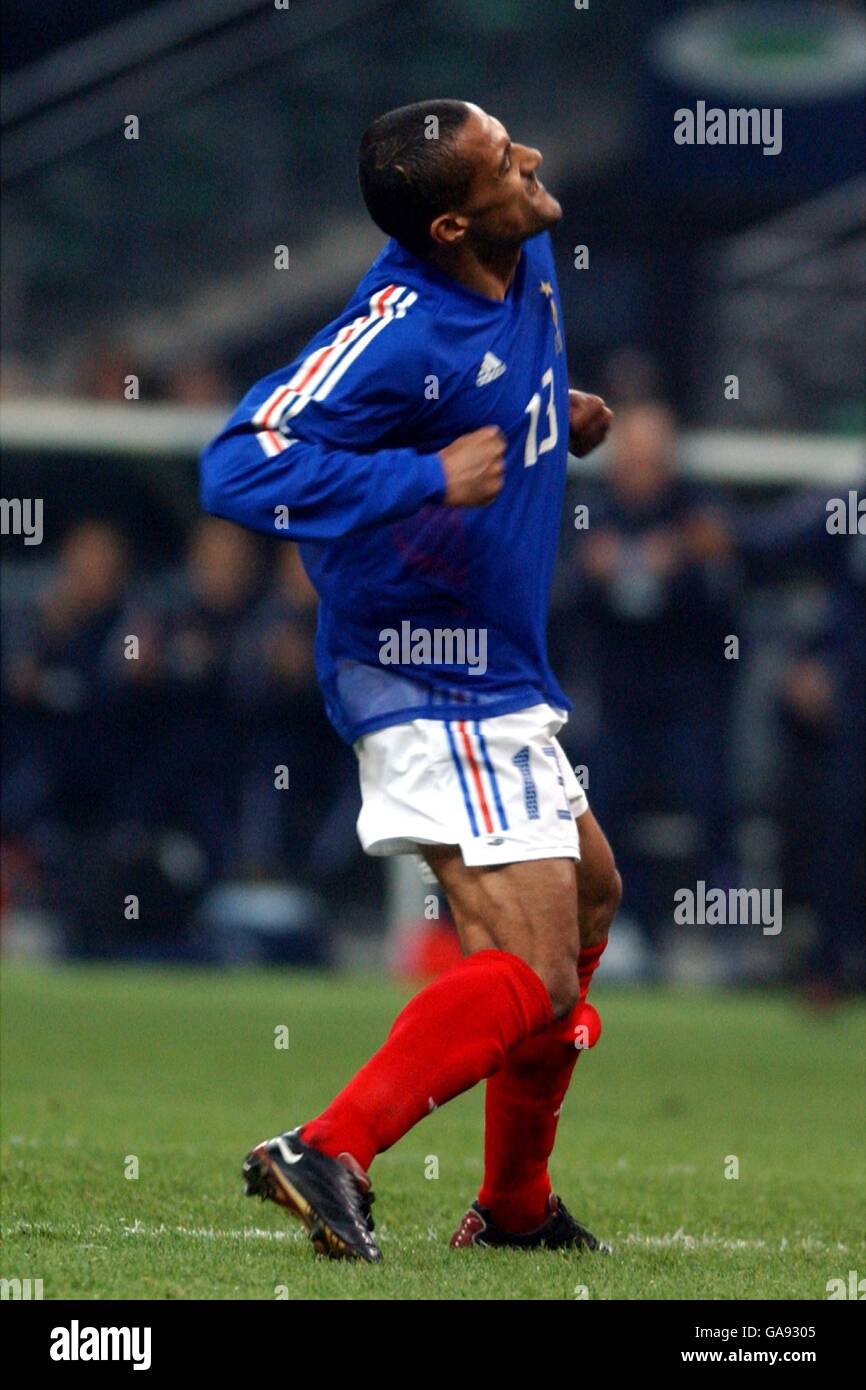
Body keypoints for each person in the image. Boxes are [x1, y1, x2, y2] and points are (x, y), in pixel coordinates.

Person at [201, 100, 619, 1263]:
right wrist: (420, 478)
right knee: (533, 974)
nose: (529, 160)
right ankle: (329, 1144)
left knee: (589, 898)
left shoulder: (520, 250)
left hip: (499, 668)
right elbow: (239, 465)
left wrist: (552, 415)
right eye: (500, 163)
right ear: (447, 223)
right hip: (429, 672)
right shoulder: (395, 325)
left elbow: (496, 389)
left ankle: (518, 1208)